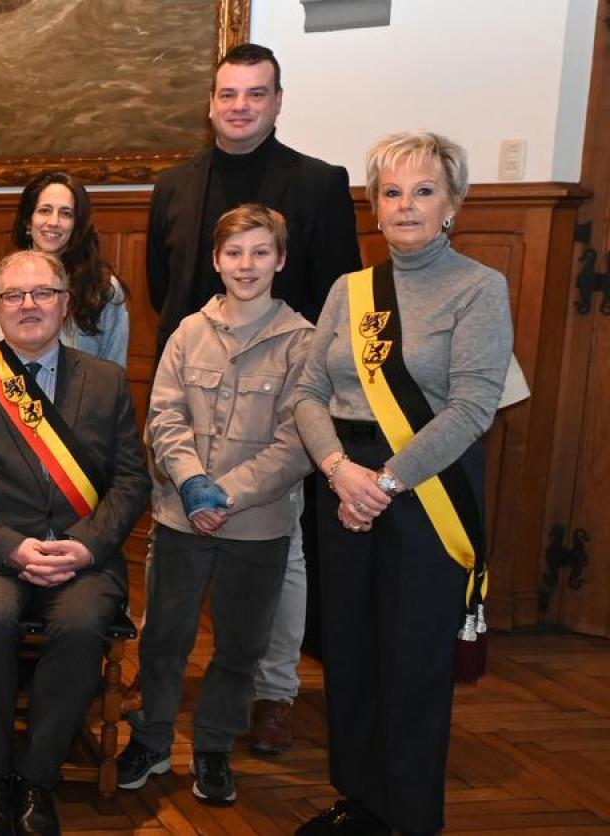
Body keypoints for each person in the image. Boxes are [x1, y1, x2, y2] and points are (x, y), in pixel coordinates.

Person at [292, 132, 511, 836]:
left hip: (426, 489)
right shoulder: (349, 291)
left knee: (412, 662)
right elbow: (306, 391)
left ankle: (409, 817)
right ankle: (360, 801)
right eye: (392, 192)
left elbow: (473, 407)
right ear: (373, 207)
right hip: (344, 479)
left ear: (452, 204)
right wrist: (337, 471)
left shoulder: (480, 287)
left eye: (423, 191)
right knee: (350, 652)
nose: (406, 204)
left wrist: (383, 483)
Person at [145, 43, 362, 752]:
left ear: (276, 100)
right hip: (195, 388)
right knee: (174, 575)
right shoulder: (174, 184)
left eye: (256, 94)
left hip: (283, 410)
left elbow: (340, 297)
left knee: (282, 562)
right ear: (210, 103)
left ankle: (275, 690)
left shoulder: (321, 182)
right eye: (228, 94)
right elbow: (161, 286)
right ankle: (159, 717)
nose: (241, 106)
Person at [0, 250, 149, 836]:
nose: (28, 306)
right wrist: (11, 549)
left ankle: (37, 779)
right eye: (13, 296)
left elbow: (131, 481)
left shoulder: (104, 381)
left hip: (83, 553)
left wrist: (87, 546)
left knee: (80, 627)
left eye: (42, 293)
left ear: (65, 304)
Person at [116, 205, 313, 806]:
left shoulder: (301, 342)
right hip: (181, 517)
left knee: (239, 645)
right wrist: (193, 482)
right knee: (165, 637)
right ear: (215, 261)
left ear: (280, 259)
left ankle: (214, 748)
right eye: (234, 253)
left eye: (259, 253)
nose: (246, 265)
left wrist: (227, 494)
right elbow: (165, 414)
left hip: (259, 525)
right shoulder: (187, 333)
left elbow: (298, 439)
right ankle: (151, 739)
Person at [0, 171, 129, 366]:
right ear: (28, 220)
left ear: (76, 224)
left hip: (82, 396)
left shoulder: (104, 288)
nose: (54, 222)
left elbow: (114, 371)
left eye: (66, 213)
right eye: (45, 210)